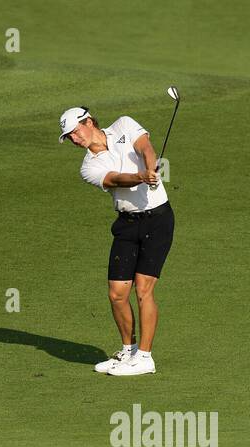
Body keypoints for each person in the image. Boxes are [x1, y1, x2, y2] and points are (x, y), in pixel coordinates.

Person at [58, 106, 175, 376]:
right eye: (69, 137)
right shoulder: (88, 166)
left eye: (75, 132)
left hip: (158, 220)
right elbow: (116, 180)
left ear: (89, 121)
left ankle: (145, 358)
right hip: (126, 224)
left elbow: (146, 147)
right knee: (116, 294)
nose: (75, 139)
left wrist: (149, 167)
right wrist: (140, 177)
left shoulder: (123, 124)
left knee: (143, 289)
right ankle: (129, 351)